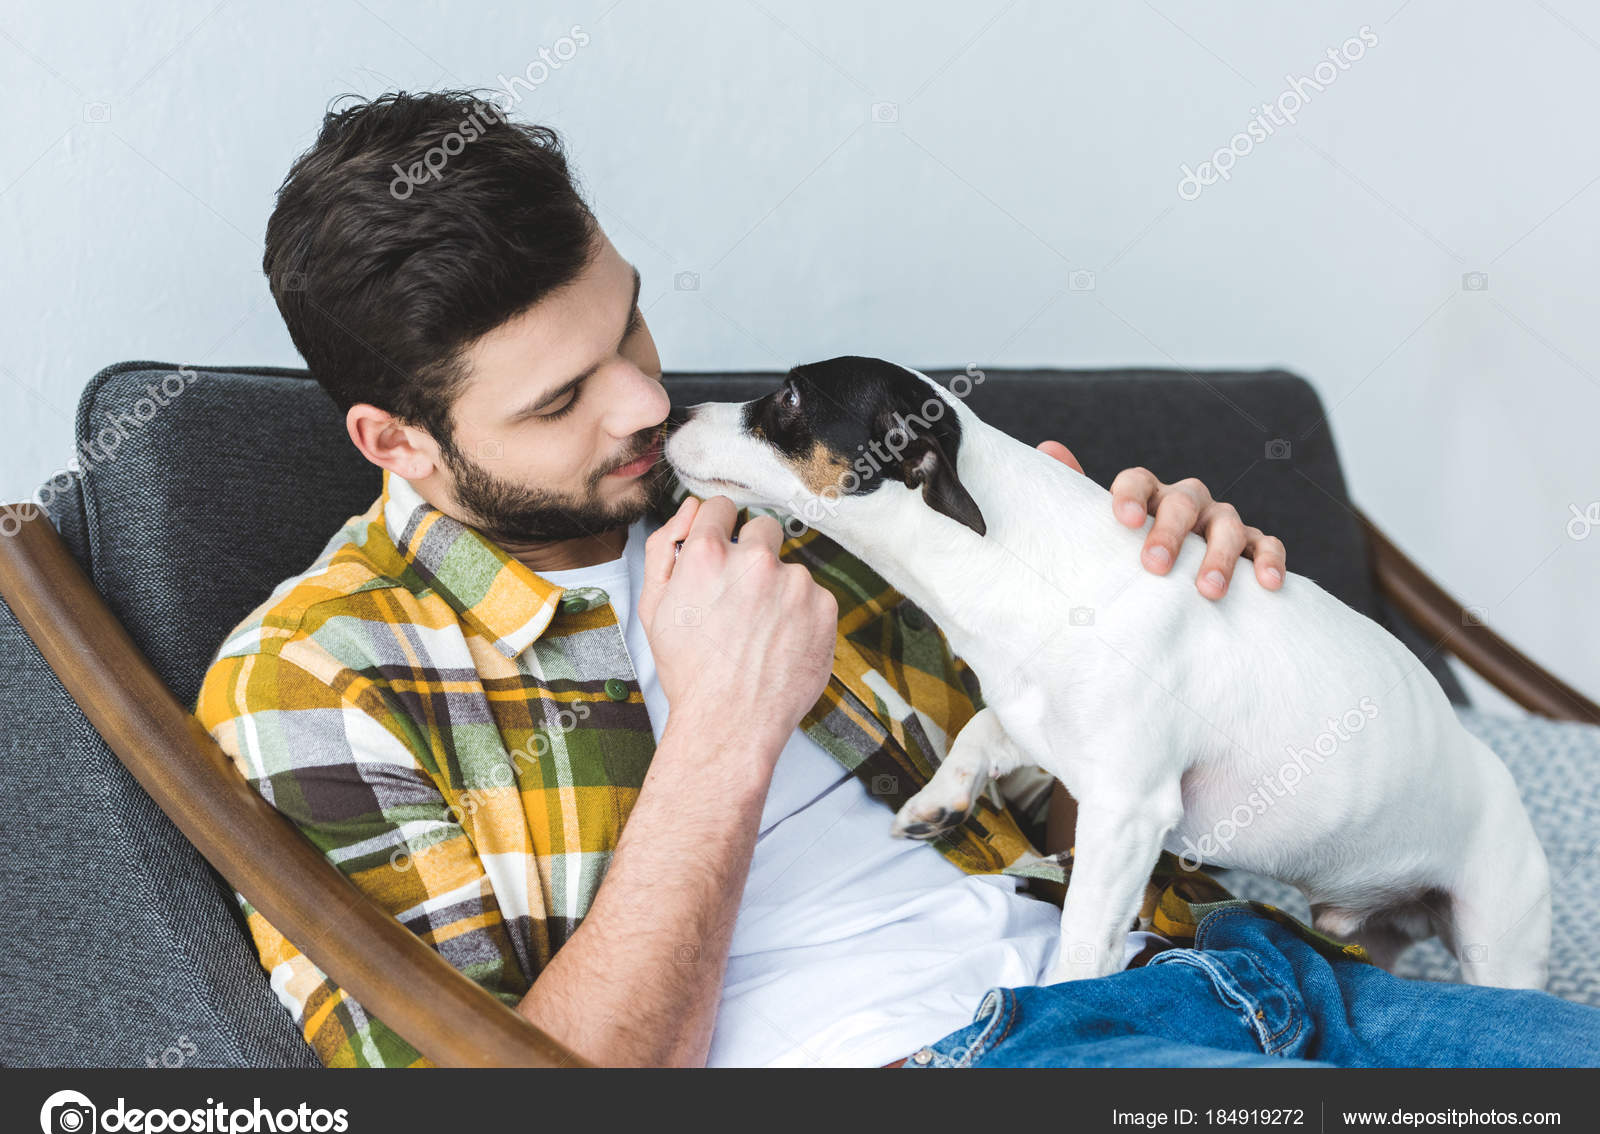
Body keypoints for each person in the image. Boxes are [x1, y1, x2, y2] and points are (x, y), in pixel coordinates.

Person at [196, 90, 1597, 1068]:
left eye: (631, 322)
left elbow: (1093, 788)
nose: (644, 403)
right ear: (398, 443)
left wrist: (1185, 628)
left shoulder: (814, 495)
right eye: (564, 398)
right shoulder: (319, 683)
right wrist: (724, 736)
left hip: (1248, 975)